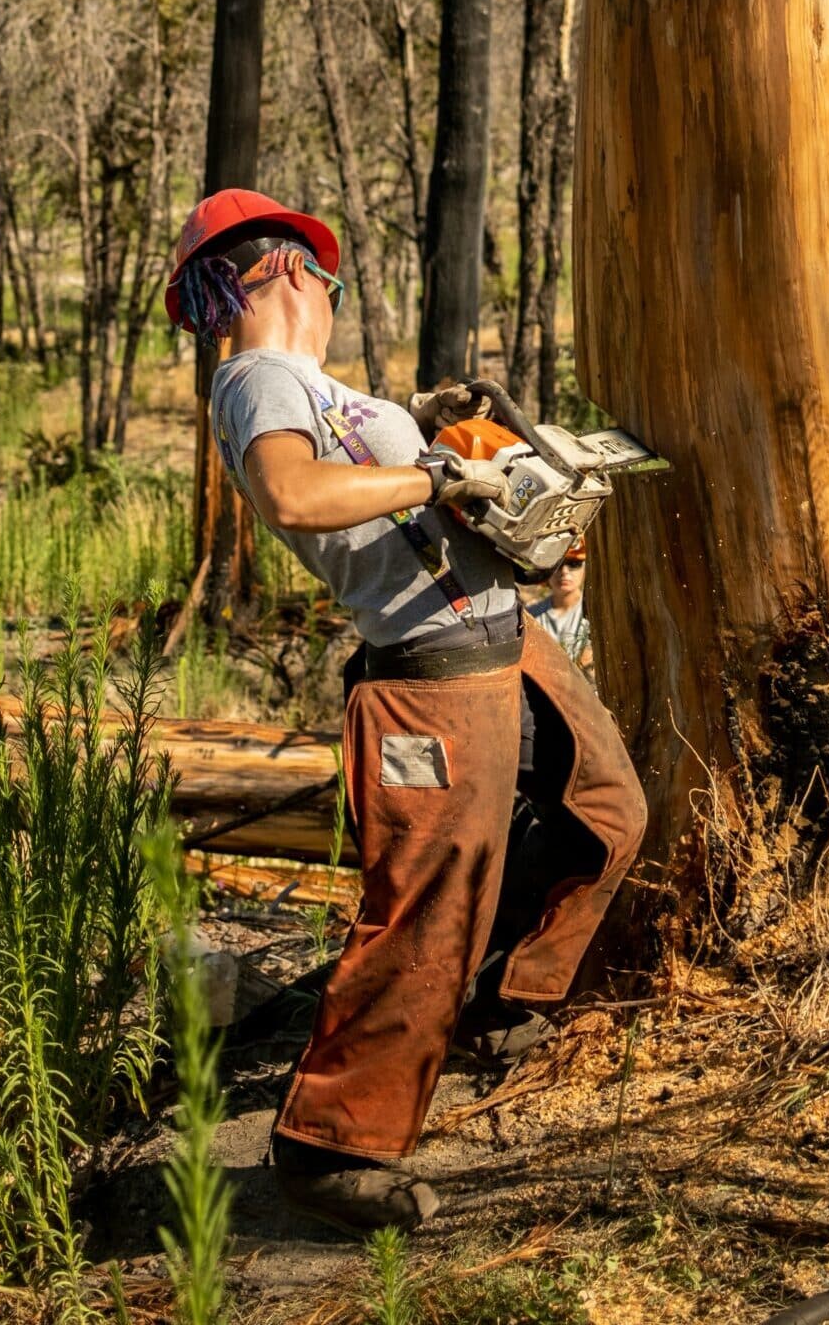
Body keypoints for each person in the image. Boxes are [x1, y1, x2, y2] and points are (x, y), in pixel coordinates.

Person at [165, 189, 647, 1236]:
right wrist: (435, 471)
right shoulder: (254, 381)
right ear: (293, 270)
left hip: (501, 635)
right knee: (424, 910)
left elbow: (403, 491)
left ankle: (494, 1005)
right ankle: (330, 1145)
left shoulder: (324, 389)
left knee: (606, 813)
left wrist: (510, 498)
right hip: (426, 676)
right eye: (331, 282)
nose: (333, 299)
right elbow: (294, 494)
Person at [529, 539, 593, 680]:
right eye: (557, 565)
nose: (564, 572)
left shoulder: (597, 615)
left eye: (574, 564)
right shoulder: (529, 617)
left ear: (586, 568)